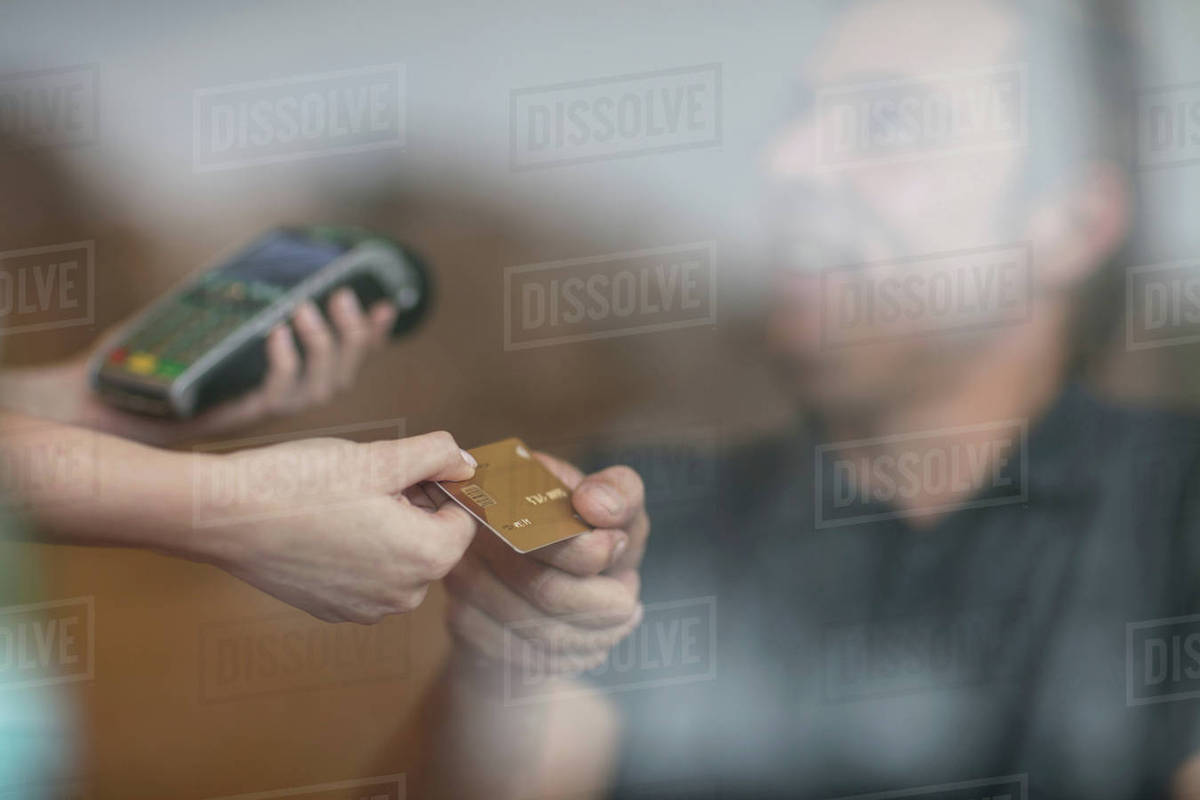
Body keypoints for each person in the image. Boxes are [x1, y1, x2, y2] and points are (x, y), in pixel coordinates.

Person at [418, 1, 1200, 798]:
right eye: (797, 118)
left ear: (1073, 221)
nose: (786, 163)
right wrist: (506, 660)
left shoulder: (1177, 516)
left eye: (889, 121)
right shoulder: (654, 520)